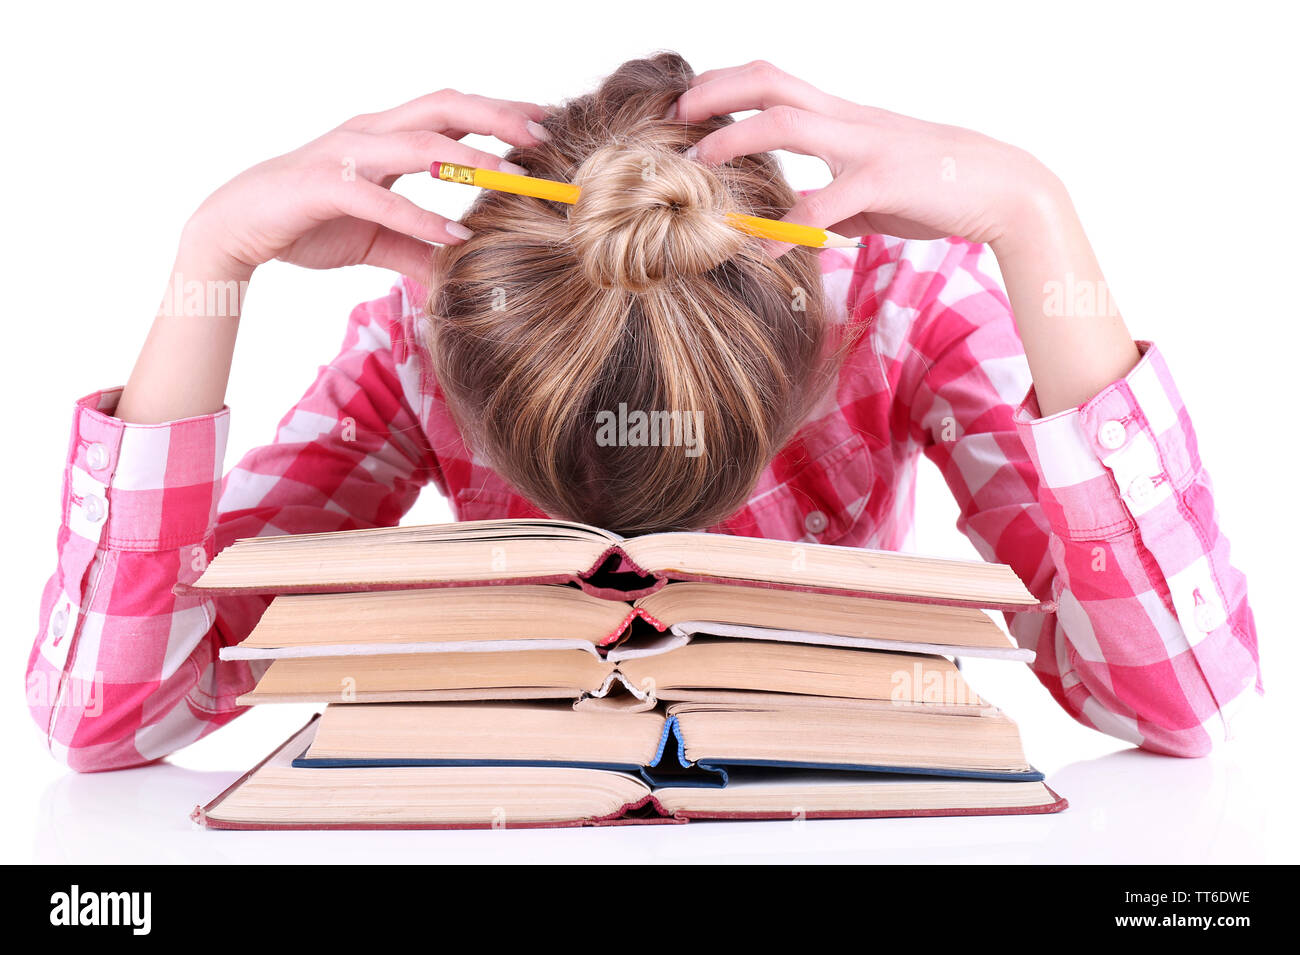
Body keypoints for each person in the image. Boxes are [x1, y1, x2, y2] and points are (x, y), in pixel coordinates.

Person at [28, 53, 1259, 772]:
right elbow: (109, 718)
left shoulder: (893, 314)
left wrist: (1039, 221)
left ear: (810, 350)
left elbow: (1178, 702)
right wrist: (210, 263)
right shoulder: (424, 339)